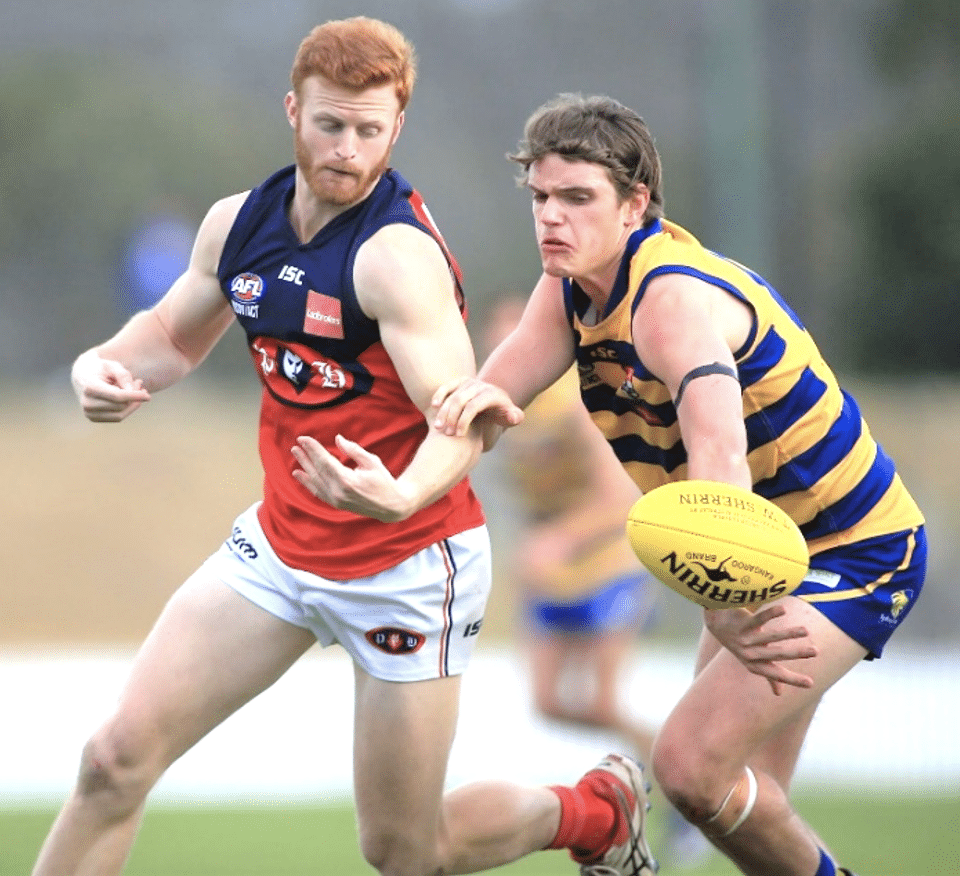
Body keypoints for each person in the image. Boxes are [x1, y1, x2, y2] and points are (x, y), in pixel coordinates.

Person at [32, 27, 656, 876]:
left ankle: (596, 813)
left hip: (407, 561)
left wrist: (400, 495)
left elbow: (465, 419)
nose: (348, 150)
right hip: (282, 550)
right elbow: (168, 339)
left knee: (405, 853)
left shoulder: (396, 260)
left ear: (397, 128)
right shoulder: (239, 225)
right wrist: (94, 367)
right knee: (111, 764)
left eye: (370, 130)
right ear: (293, 111)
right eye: (330, 125)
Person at [432, 93, 927, 876]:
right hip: (768, 541)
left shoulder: (669, 300)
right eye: (540, 198)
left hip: (853, 548)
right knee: (746, 798)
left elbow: (720, 456)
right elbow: (482, 410)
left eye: (577, 198)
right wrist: (390, 490)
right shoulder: (567, 293)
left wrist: (726, 602)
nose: (551, 218)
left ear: (635, 204)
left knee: (691, 768)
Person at [481, 298, 712, 868]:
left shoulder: (573, 408)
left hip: (609, 564)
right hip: (551, 572)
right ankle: (651, 760)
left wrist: (559, 539)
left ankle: (686, 789)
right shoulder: (501, 408)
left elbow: (622, 498)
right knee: (548, 703)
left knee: (605, 700)